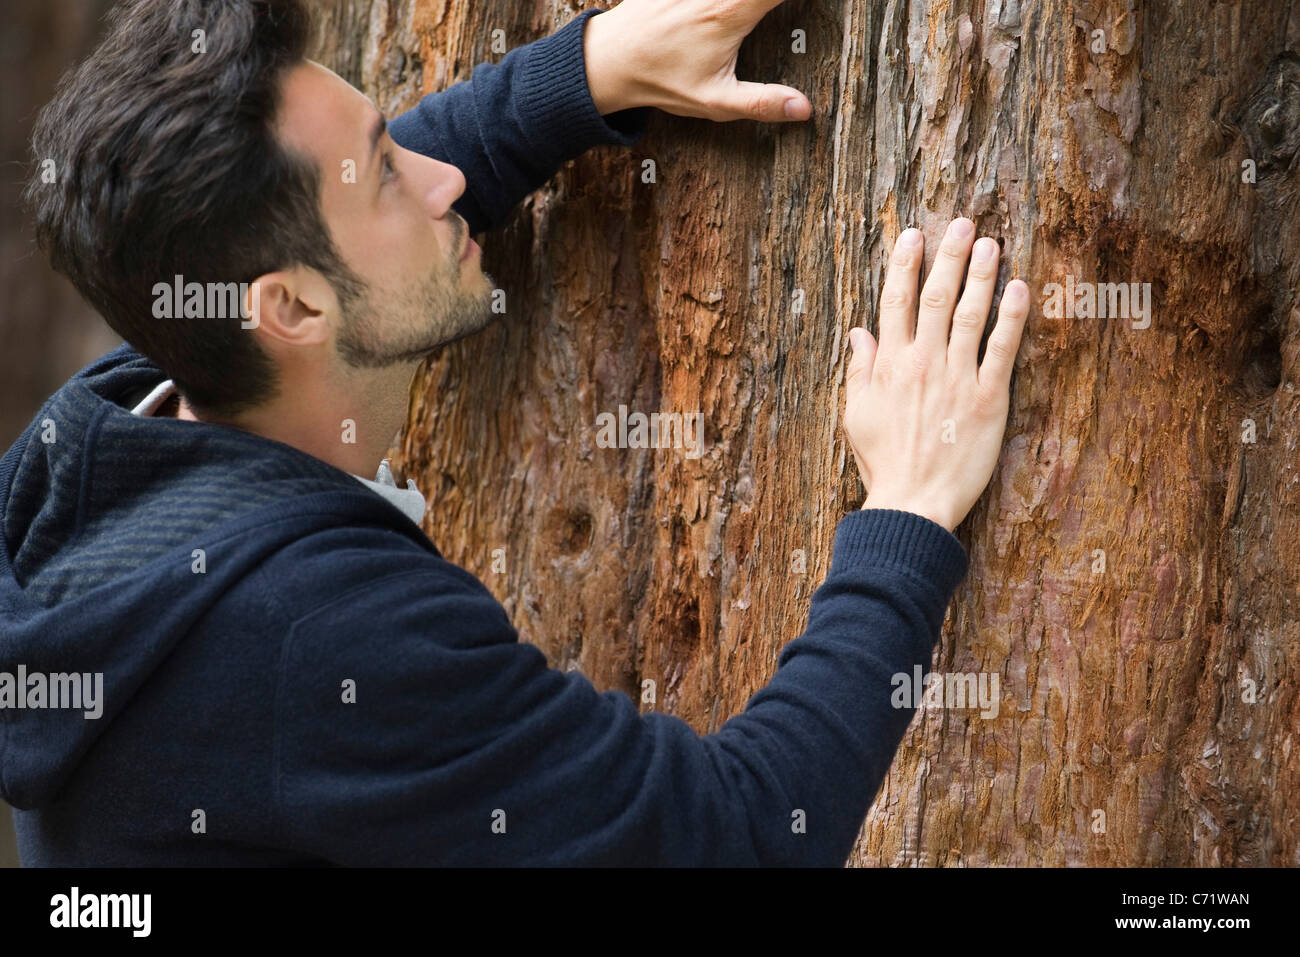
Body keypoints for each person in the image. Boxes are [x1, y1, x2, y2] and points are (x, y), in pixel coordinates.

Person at [1, 0, 1028, 865]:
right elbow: (738, 833)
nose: (440, 178)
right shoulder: (326, 646)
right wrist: (909, 506)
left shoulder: (91, 446)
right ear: (296, 312)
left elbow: (341, 228)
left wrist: (584, 71)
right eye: (389, 172)